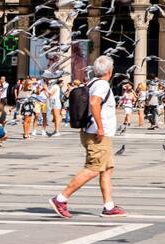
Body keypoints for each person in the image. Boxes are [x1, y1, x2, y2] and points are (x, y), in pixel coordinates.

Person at [50, 55, 127, 218]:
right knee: (93, 168)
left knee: (107, 168)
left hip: (91, 131)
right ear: (109, 71)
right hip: (97, 134)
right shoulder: (102, 85)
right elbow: (94, 103)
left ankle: (109, 206)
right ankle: (61, 198)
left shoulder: (91, 83)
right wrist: (100, 127)